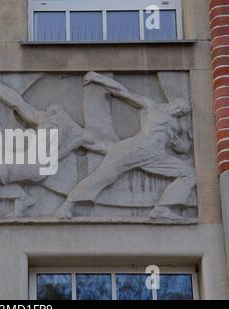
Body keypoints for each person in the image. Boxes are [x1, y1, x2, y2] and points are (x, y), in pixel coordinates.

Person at [0, 72, 107, 222]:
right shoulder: (73, 131)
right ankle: (22, 198)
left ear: (58, 113)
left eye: (53, 110)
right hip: (32, 162)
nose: (49, 110)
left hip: (36, 165)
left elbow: (17, 103)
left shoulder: (53, 124)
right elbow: (103, 147)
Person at [55, 71, 196, 220]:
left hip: (156, 156)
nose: (180, 111)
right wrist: (98, 78)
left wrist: (182, 148)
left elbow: (182, 148)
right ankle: (68, 205)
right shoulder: (152, 106)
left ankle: (162, 209)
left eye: (183, 112)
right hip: (133, 149)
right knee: (102, 177)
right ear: (173, 102)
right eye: (179, 107)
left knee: (188, 173)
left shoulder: (176, 125)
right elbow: (123, 93)